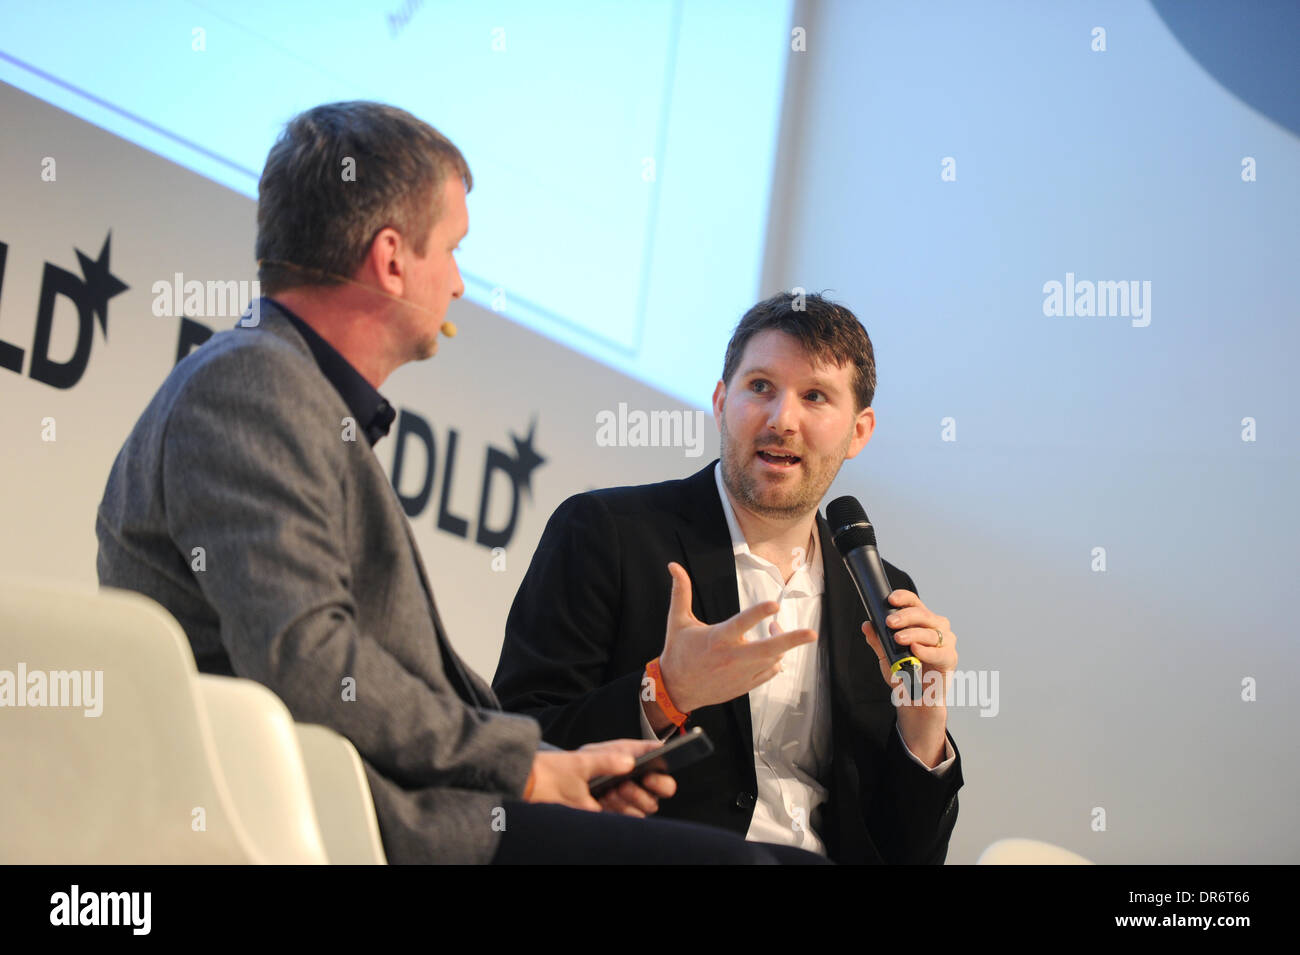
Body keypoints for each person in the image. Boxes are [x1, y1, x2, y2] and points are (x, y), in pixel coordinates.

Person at [95, 101, 824, 865]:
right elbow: (307, 661)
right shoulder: (252, 386)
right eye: (452, 251)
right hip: (358, 821)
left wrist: (561, 766)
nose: (459, 286)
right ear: (390, 259)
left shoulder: (280, 387)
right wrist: (525, 765)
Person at [493, 292, 965, 863]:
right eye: (760, 387)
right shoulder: (608, 532)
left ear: (858, 432)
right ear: (721, 402)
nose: (781, 420)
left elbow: (906, 854)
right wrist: (663, 692)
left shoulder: (879, 596)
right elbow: (517, 745)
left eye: (814, 396)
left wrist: (923, 726)